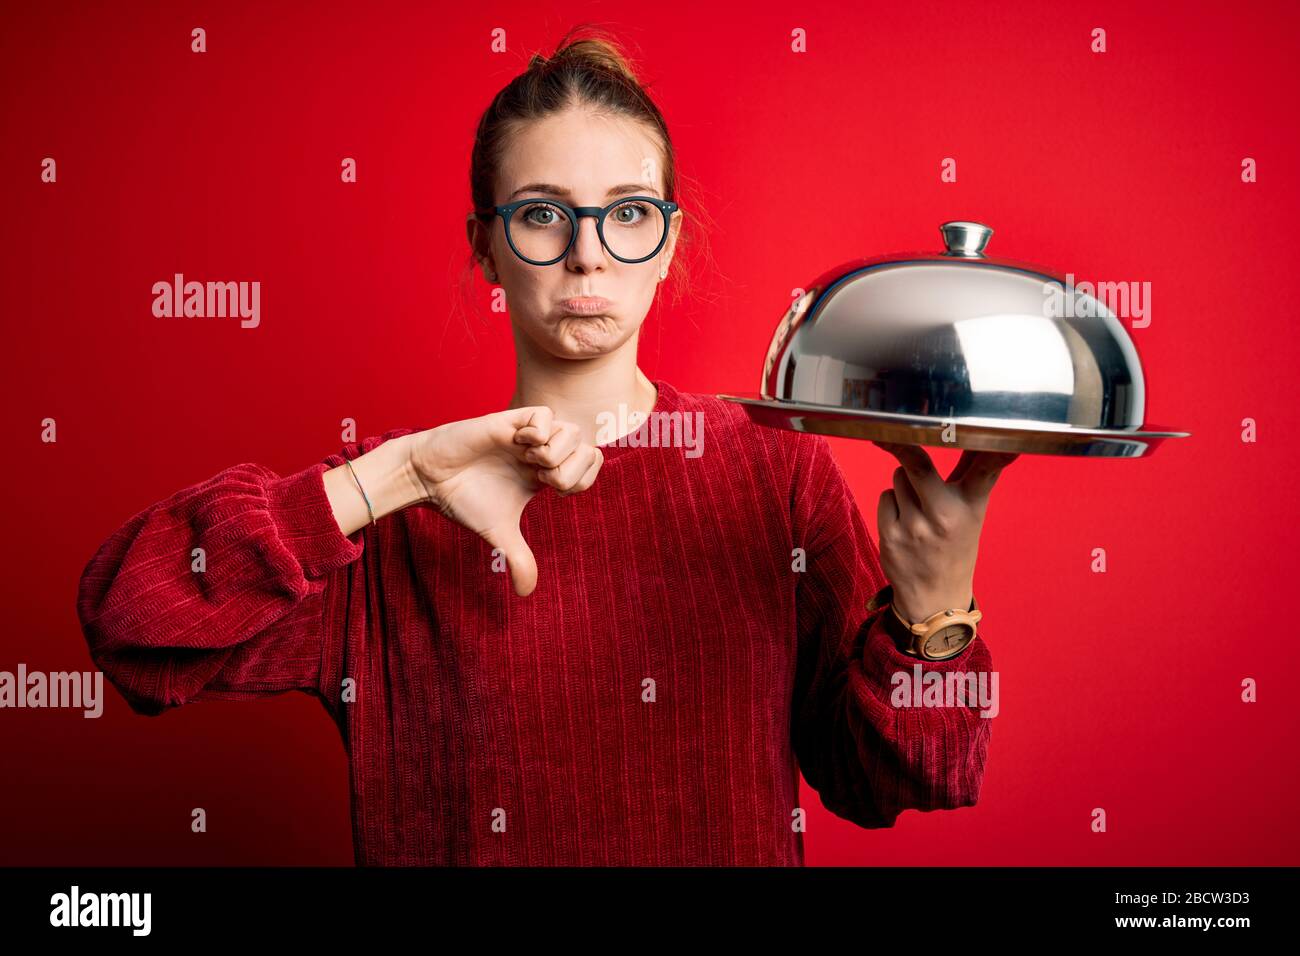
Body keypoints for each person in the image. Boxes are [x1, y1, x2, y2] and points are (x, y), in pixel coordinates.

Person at [76, 26, 1017, 866]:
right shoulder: (399, 506)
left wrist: (932, 616)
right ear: (485, 247)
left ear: (670, 241)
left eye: (628, 212)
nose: (588, 253)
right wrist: (397, 474)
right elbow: (131, 627)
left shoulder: (776, 471)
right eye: (541, 214)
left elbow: (894, 781)